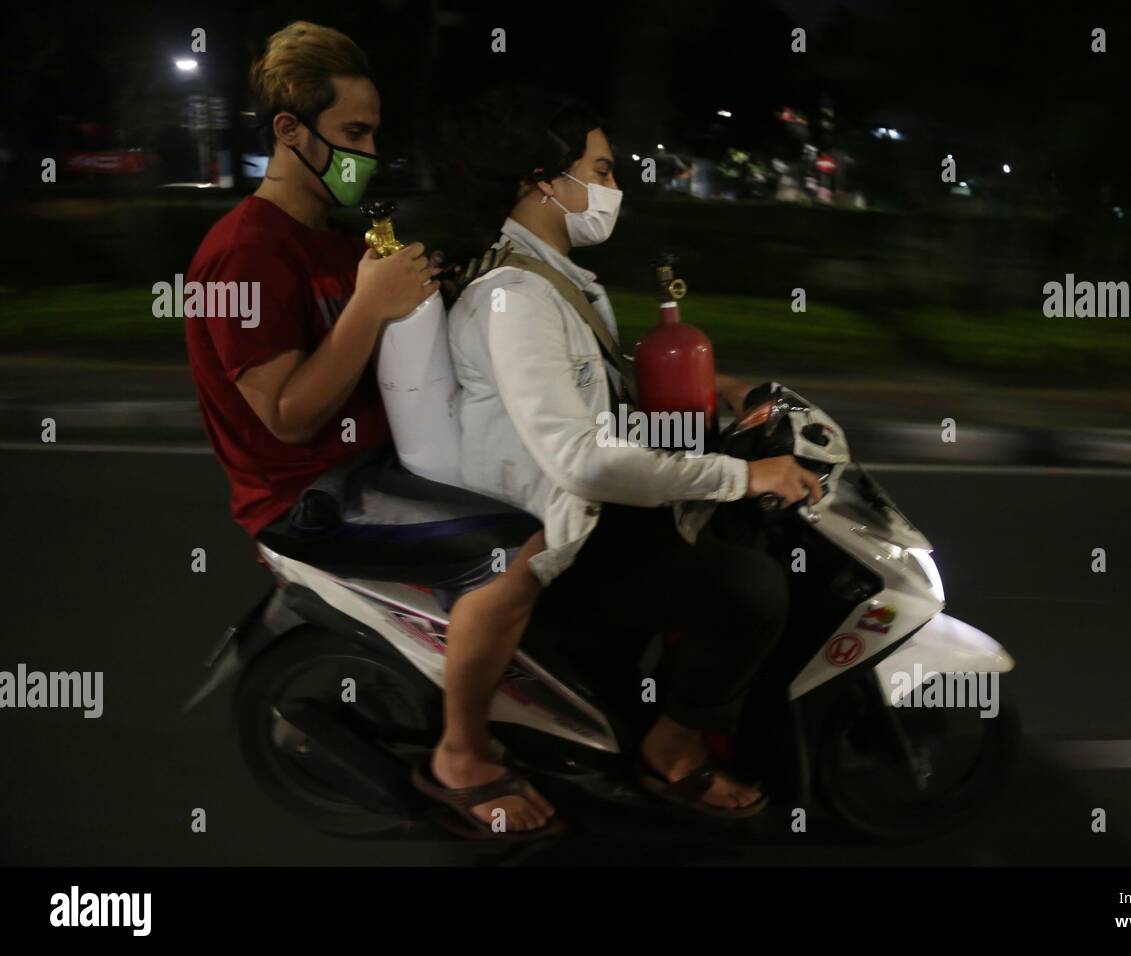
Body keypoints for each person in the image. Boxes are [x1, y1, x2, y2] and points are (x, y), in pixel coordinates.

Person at [184, 22, 558, 838]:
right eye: (353, 134)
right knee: (521, 552)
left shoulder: (335, 237)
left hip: (378, 463)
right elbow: (287, 418)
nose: (368, 151)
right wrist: (368, 305)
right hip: (305, 495)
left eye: (373, 133)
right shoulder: (240, 256)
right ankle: (460, 754)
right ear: (291, 131)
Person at [439, 88, 823, 816]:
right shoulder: (515, 297)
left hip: (581, 502)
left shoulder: (555, 279)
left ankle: (646, 708)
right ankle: (669, 752)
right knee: (751, 591)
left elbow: (604, 406)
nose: (614, 189)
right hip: (556, 528)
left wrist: (719, 393)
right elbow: (581, 457)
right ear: (546, 180)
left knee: (738, 531)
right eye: (603, 170)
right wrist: (742, 474)